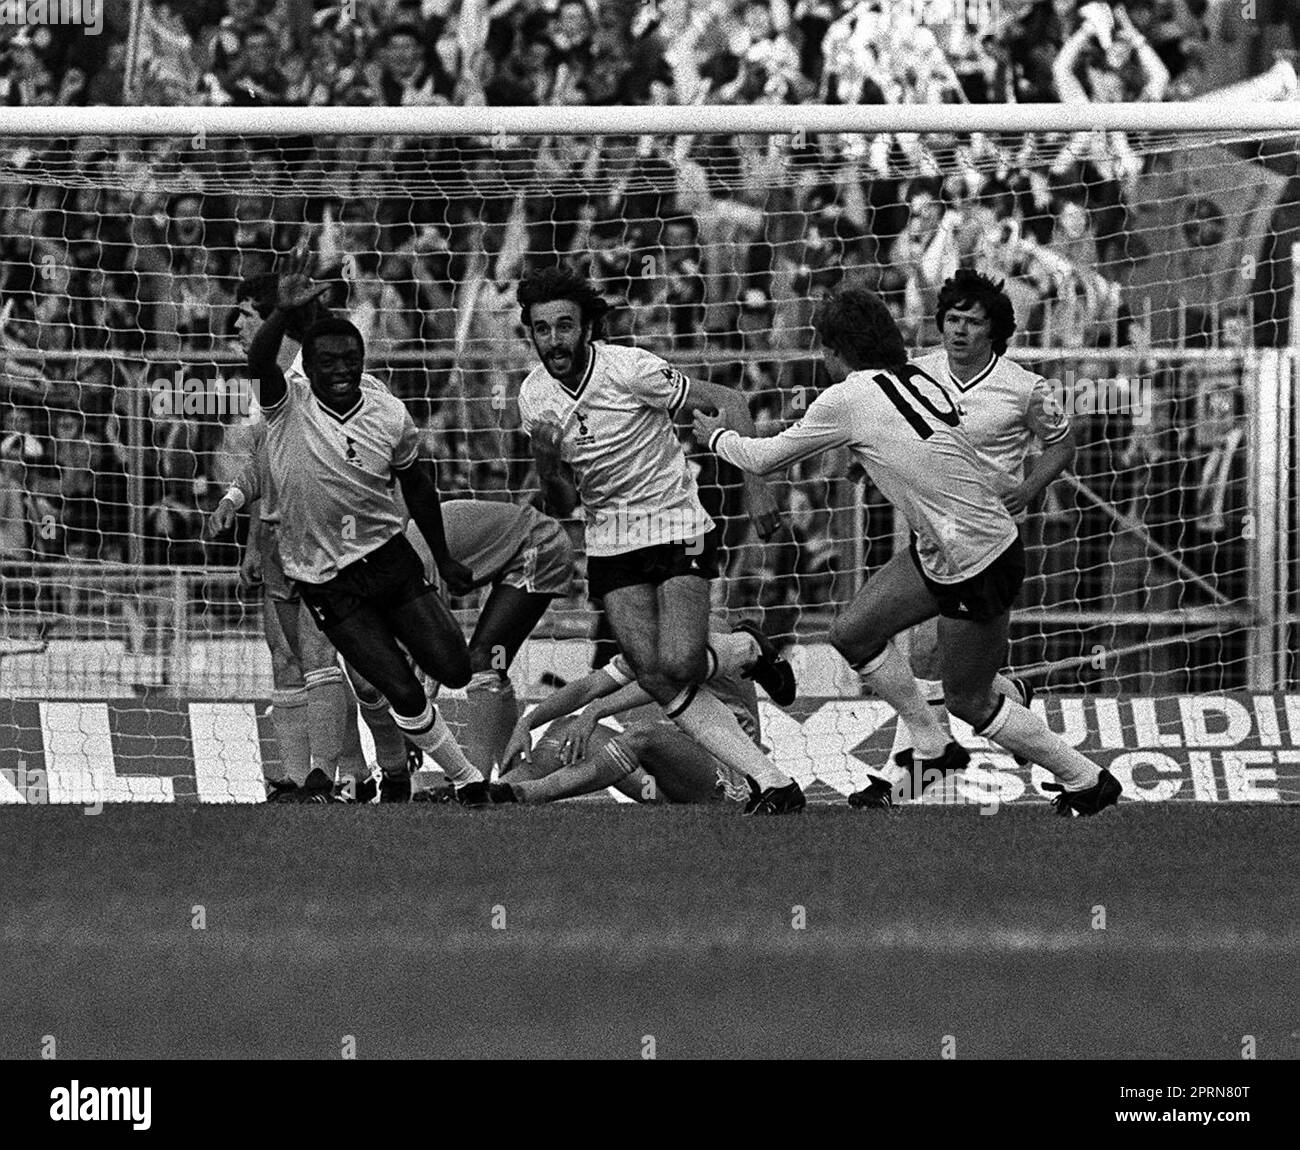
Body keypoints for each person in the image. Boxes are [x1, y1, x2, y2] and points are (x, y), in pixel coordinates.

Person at [693, 287, 1121, 817]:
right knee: (852, 633)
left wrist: (716, 438)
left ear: (832, 351)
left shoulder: (848, 396)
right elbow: (924, 443)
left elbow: (761, 458)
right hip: (941, 545)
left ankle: (1086, 778)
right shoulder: (917, 375)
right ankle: (931, 747)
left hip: (979, 558)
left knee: (969, 700)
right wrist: (871, 458)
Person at [515, 265, 805, 815]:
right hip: (609, 540)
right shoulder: (533, 398)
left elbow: (730, 402)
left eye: (564, 326)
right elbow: (563, 503)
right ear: (531, 333)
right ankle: (772, 782)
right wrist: (546, 462)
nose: (554, 339)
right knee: (655, 671)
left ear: (587, 329)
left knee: (680, 660)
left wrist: (756, 487)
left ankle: (746, 647)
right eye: (542, 328)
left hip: (676, 525)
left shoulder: (632, 370)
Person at [246, 244, 489, 805]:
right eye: (325, 360)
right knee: (395, 686)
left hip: (388, 561)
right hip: (327, 579)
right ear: (308, 363)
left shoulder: (387, 412)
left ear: (362, 360)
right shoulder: (288, 404)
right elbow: (261, 365)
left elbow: (418, 485)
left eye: (347, 360)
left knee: (453, 669)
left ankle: (415, 717)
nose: (338, 370)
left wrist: (444, 557)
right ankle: (466, 780)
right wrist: (283, 312)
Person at [869, 268, 1077, 803]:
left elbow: (1061, 444)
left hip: (984, 540)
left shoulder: (1025, 387)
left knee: (927, 653)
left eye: (973, 321)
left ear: (995, 330)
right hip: (928, 531)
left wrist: (1028, 490)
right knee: (927, 658)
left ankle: (911, 779)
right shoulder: (916, 373)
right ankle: (1001, 701)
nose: (958, 330)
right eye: (952, 319)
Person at [493, 618, 791, 806]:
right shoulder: (653, 636)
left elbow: (659, 683)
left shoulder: (710, 632)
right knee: (564, 729)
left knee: (644, 736)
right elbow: (590, 686)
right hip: (674, 779)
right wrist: (527, 721)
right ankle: (494, 791)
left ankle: (532, 793)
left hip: (726, 779)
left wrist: (597, 709)